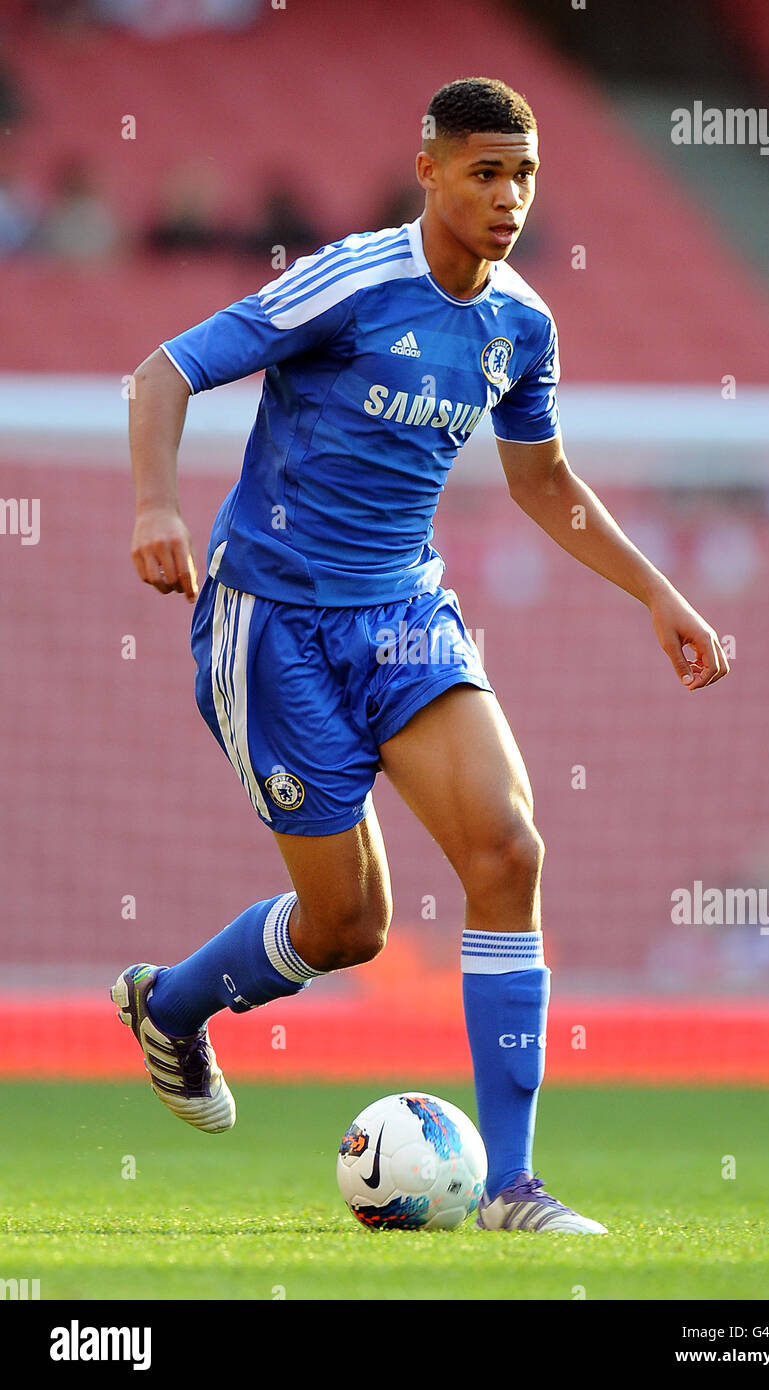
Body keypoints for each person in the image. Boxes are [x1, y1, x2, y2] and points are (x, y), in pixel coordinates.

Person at [117, 76, 729, 1235]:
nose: (507, 197)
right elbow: (164, 370)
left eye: (525, 174)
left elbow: (540, 479)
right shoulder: (350, 281)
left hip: (404, 619)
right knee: (350, 928)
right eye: (485, 172)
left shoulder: (521, 325)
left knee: (506, 849)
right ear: (431, 169)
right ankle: (171, 1004)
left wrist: (658, 595)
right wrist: (156, 507)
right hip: (273, 622)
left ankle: (509, 1185)